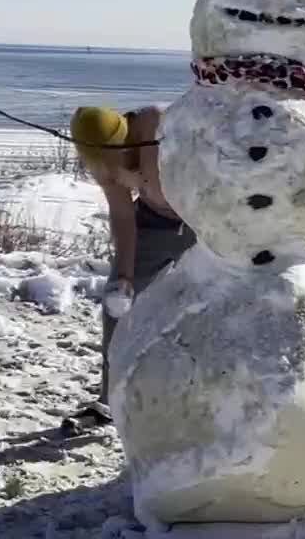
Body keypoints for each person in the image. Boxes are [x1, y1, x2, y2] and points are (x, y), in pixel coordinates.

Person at [60, 104, 196, 435]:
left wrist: (142, 177)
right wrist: (124, 274)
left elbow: (201, 182)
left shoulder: (160, 126)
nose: (111, 163)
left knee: (204, 309)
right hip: (153, 224)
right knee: (116, 308)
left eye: (115, 154)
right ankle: (109, 402)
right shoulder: (99, 159)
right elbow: (123, 214)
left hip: (205, 224)